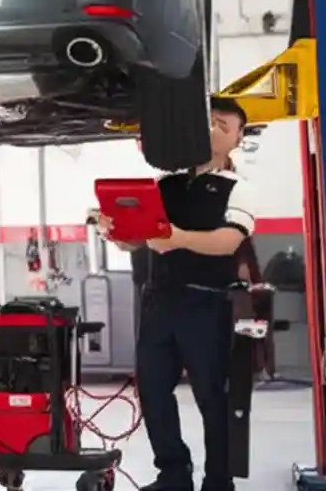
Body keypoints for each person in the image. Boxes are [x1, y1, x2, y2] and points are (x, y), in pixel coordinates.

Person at [98, 96, 254, 491]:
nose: (215, 129)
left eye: (225, 124)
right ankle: (173, 474)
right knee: (152, 390)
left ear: (239, 137)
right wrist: (115, 231)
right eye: (209, 121)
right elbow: (137, 242)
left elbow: (227, 242)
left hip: (206, 303)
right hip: (159, 302)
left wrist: (177, 238)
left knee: (210, 395)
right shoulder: (163, 185)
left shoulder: (240, 188)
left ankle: (219, 481)